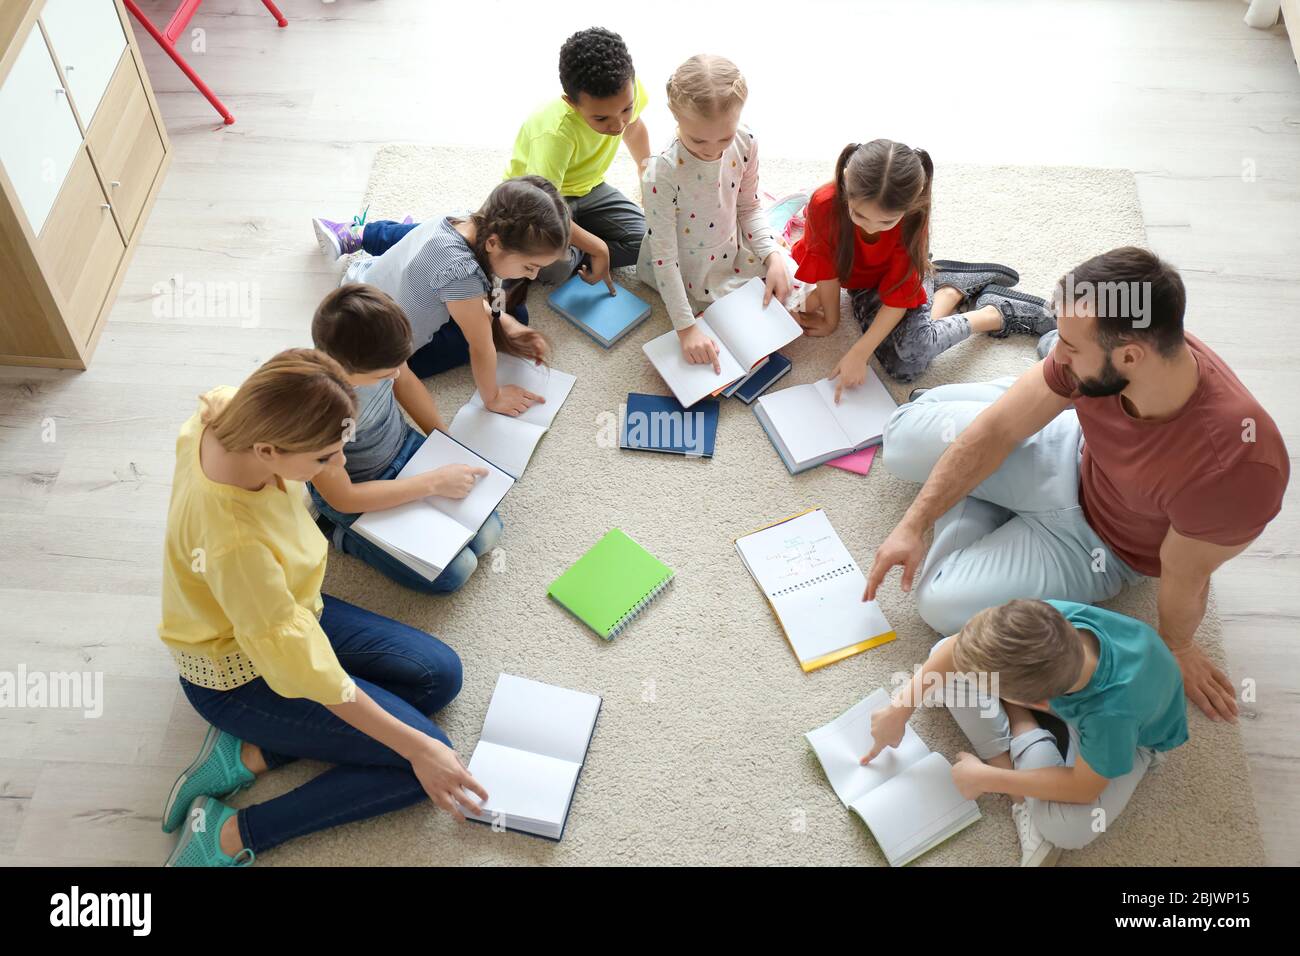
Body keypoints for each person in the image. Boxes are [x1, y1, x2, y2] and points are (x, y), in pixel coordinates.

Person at [866, 246, 1289, 721]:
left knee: (939, 606)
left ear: (1130, 357)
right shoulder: (1103, 358)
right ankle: (983, 476)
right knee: (900, 440)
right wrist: (913, 523)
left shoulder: (1236, 469)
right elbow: (998, 431)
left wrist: (1179, 646)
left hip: (1098, 548)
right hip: (1066, 447)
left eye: (1069, 344)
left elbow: (1186, 576)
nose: (1057, 353)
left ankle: (980, 489)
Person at [157, 350, 486, 866]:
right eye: (323, 459)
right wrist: (421, 751)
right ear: (267, 449)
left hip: (291, 609)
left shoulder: (228, 409)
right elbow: (307, 671)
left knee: (438, 676)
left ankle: (248, 754)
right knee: (420, 763)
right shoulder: (234, 543)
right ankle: (230, 832)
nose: (338, 467)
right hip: (239, 672)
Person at [864, 598, 1188, 865]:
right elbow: (954, 649)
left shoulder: (1112, 715)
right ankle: (1020, 793)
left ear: (1039, 703)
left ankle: (1021, 724)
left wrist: (989, 779)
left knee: (1068, 829)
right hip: (1070, 697)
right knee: (943, 656)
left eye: (994, 690)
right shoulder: (1046, 623)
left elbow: (1083, 787)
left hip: (1130, 740)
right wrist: (900, 708)